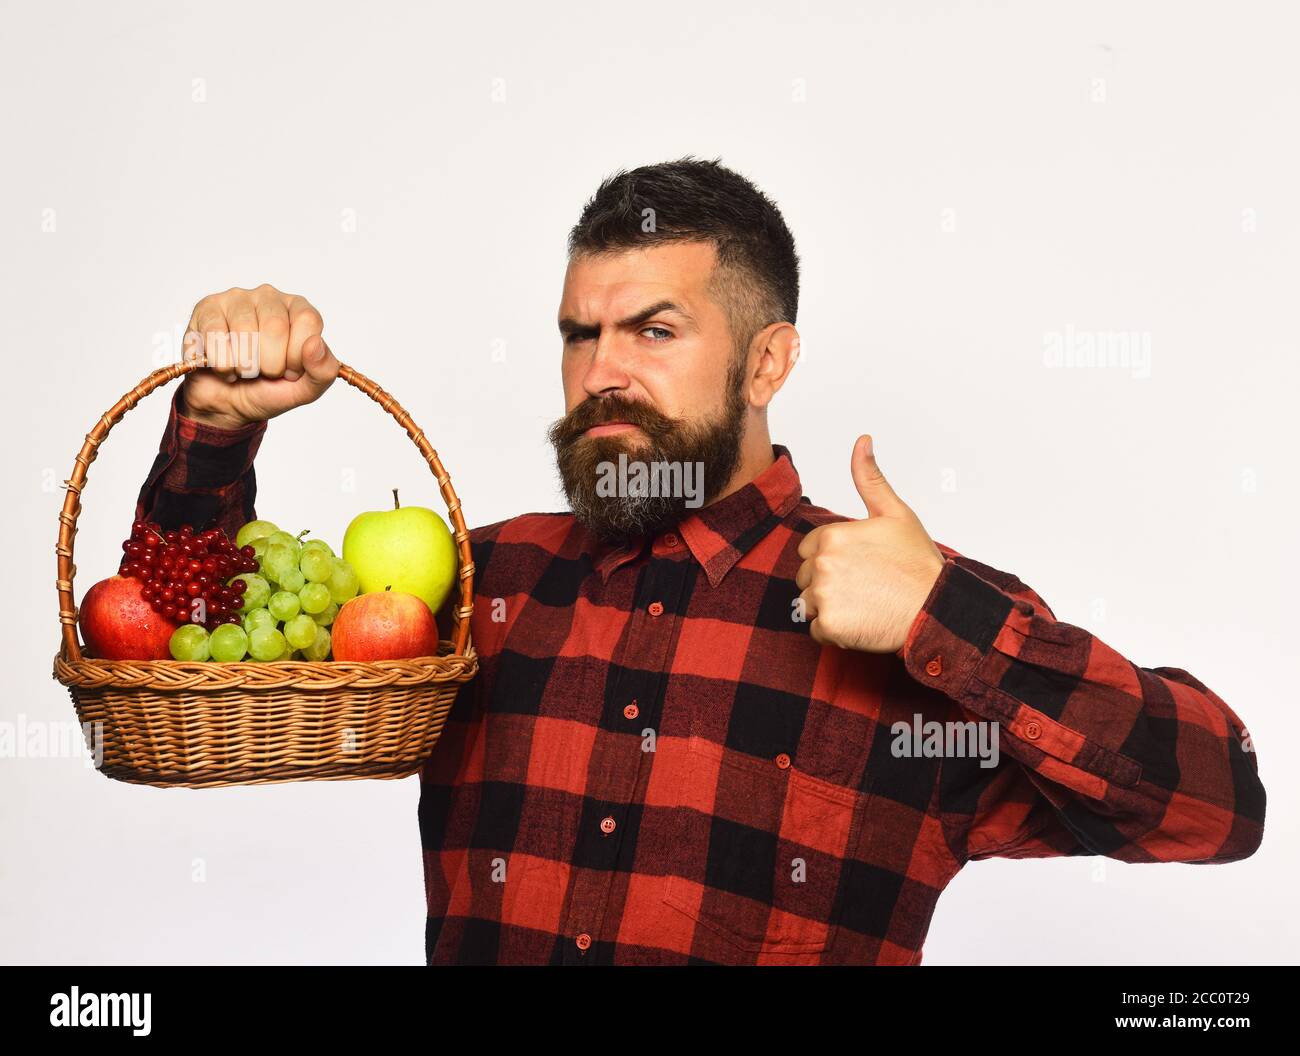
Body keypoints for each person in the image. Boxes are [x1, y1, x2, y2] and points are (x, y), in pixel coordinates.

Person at [135, 157, 1265, 965]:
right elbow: (182, 642)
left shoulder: (916, 617)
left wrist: (943, 617)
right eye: (581, 334)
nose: (602, 373)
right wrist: (220, 425)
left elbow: (1217, 808)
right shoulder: (482, 589)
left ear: (767, 360)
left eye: (654, 331)